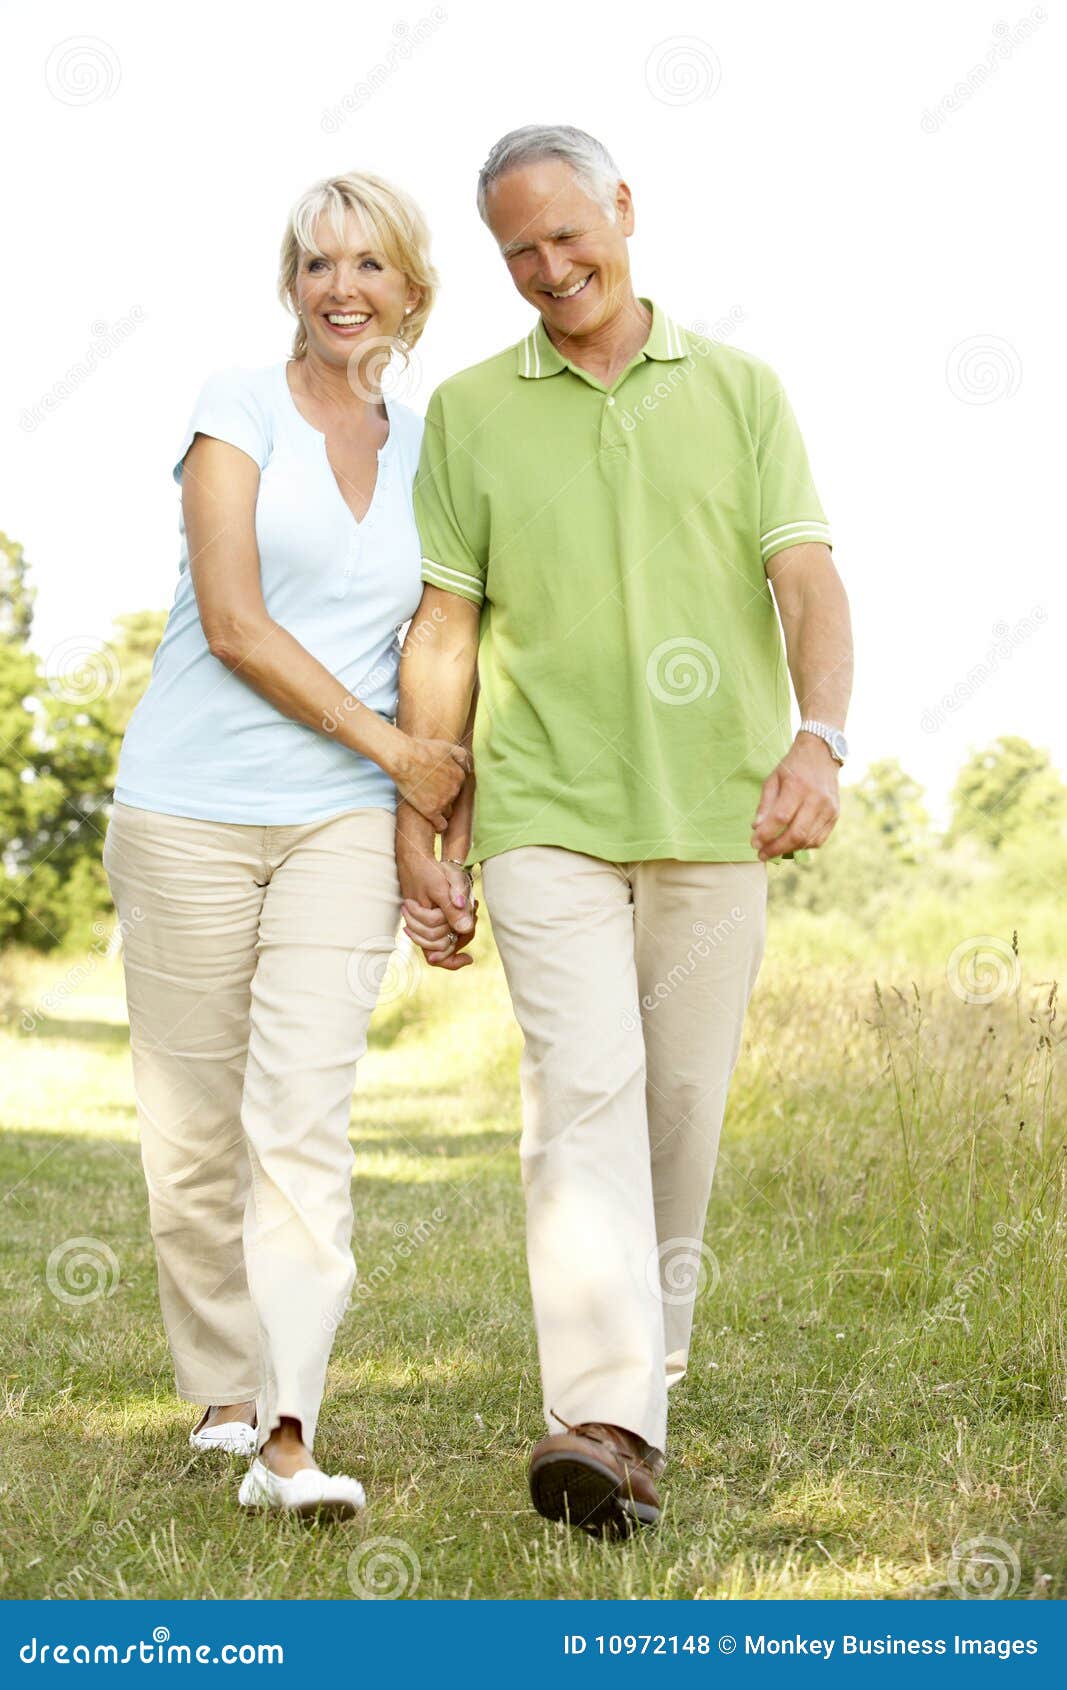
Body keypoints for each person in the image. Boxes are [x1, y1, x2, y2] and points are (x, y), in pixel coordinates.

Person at [396, 124, 853, 1536]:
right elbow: (448, 625)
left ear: (625, 210)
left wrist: (821, 737)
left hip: (715, 810)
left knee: (678, 1106)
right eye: (517, 251)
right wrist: (424, 813)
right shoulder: (470, 409)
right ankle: (603, 1417)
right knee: (581, 1087)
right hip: (543, 806)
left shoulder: (741, 388)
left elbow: (806, 578)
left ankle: (645, 1384)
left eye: (567, 234)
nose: (549, 268)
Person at [102, 170, 470, 1520]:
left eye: (369, 264)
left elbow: (443, 639)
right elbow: (234, 621)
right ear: (291, 285)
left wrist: (433, 830)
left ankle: (291, 1434)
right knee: (195, 1125)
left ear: (412, 290)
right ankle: (220, 1391)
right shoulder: (237, 407)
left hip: (337, 822)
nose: (341, 287)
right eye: (318, 263)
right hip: (186, 806)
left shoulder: (438, 449)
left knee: (303, 1115)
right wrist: (400, 757)